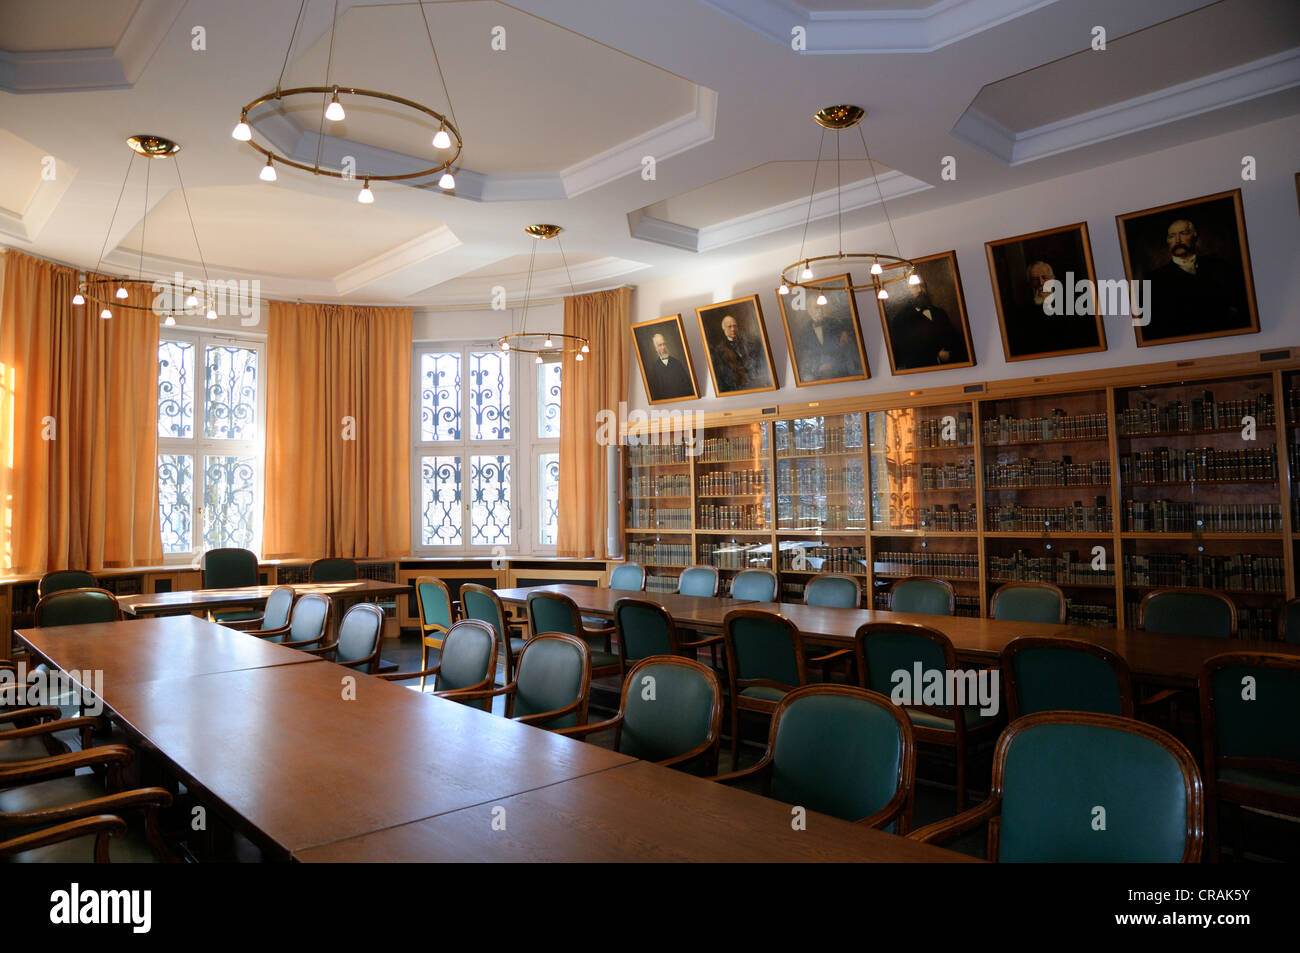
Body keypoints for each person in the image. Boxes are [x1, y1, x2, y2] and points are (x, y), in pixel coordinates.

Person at [1142, 218, 1249, 341]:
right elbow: (1151, 328)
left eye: (1183, 233)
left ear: (1195, 236)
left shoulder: (1219, 266)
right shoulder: (1153, 279)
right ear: (1167, 241)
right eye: (1172, 236)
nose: (1178, 240)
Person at [886, 279, 968, 371]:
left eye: (922, 286)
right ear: (906, 292)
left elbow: (955, 341)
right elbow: (904, 353)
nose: (920, 290)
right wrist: (936, 357)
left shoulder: (939, 312)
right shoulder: (900, 319)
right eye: (914, 287)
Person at [793, 293, 860, 381]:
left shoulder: (836, 324)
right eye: (816, 307)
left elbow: (847, 351)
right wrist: (818, 367)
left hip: (841, 373)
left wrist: (832, 364)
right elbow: (805, 358)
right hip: (817, 378)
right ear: (809, 310)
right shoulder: (804, 332)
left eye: (822, 307)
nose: (820, 311)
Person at [711, 312, 768, 392]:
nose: (733, 329)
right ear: (724, 329)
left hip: (750, 382)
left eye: (734, 326)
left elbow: (753, 363)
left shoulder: (746, 342)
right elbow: (723, 374)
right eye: (729, 327)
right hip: (735, 386)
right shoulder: (719, 350)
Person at [644, 331, 695, 400]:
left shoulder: (677, 363)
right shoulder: (654, 369)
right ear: (656, 348)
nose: (663, 347)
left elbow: (688, 386)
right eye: (660, 345)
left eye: (664, 344)